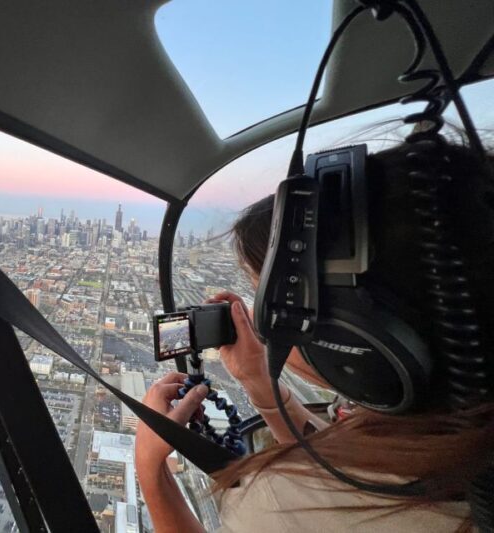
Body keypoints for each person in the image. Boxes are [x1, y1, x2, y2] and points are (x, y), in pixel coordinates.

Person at [136, 141, 494, 532]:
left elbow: (332, 484)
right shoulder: (454, 445)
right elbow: (344, 467)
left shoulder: (289, 507)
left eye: (278, 304)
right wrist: (258, 380)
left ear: (358, 340)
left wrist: (151, 469)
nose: (263, 321)